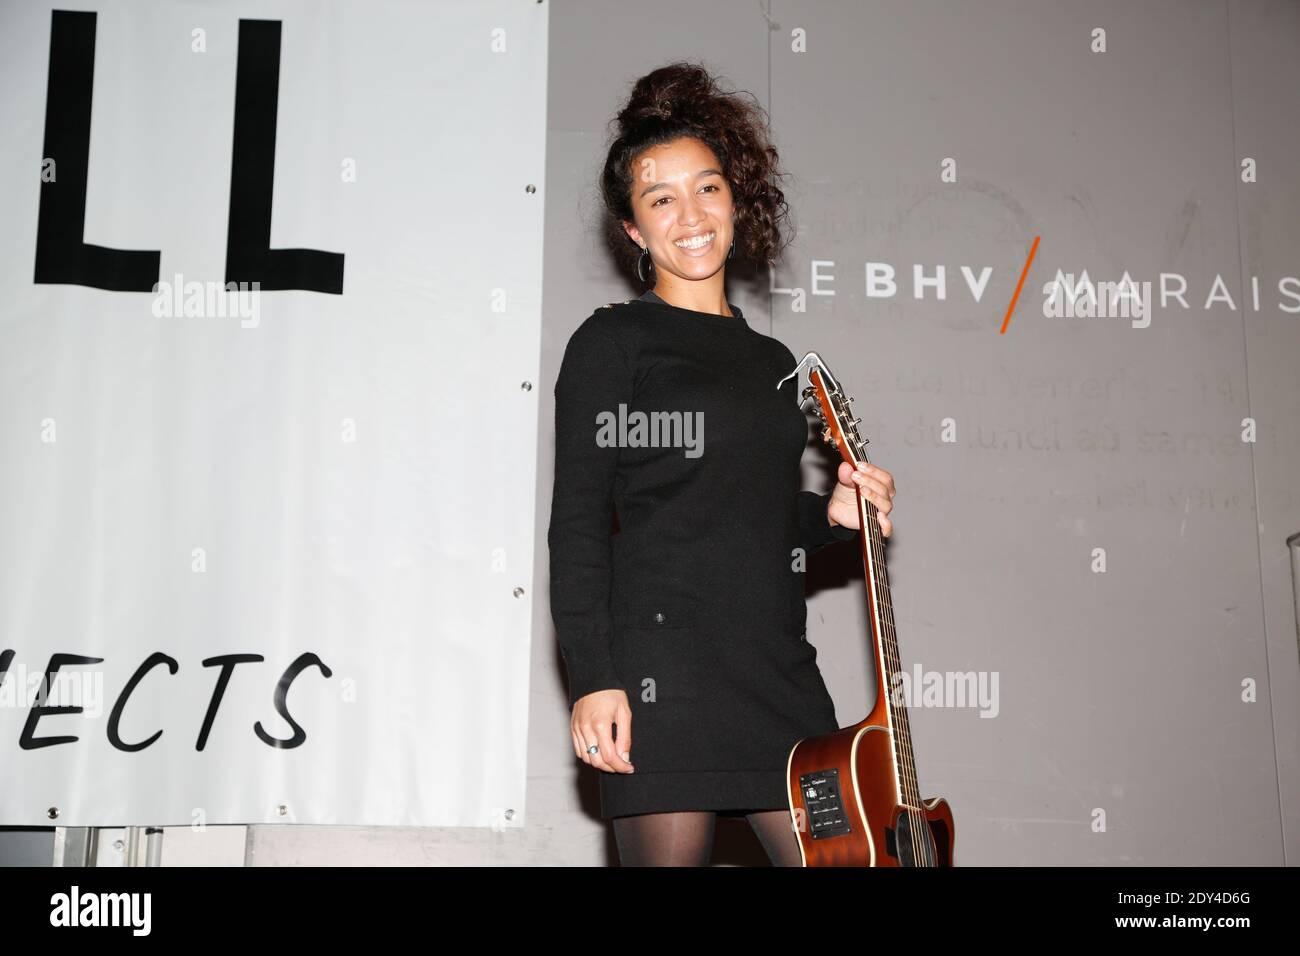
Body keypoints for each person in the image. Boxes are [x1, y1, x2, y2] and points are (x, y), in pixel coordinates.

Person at [547, 62, 897, 866]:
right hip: (660, 677)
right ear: (633, 230)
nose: (690, 215)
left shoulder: (774, 360)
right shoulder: (612, 343)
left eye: (706, 188)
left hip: (777, 671)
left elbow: (757, 518)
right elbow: (578, 526)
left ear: (736, 200)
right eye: (660, 198)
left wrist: (833, 520)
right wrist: (594, 677)